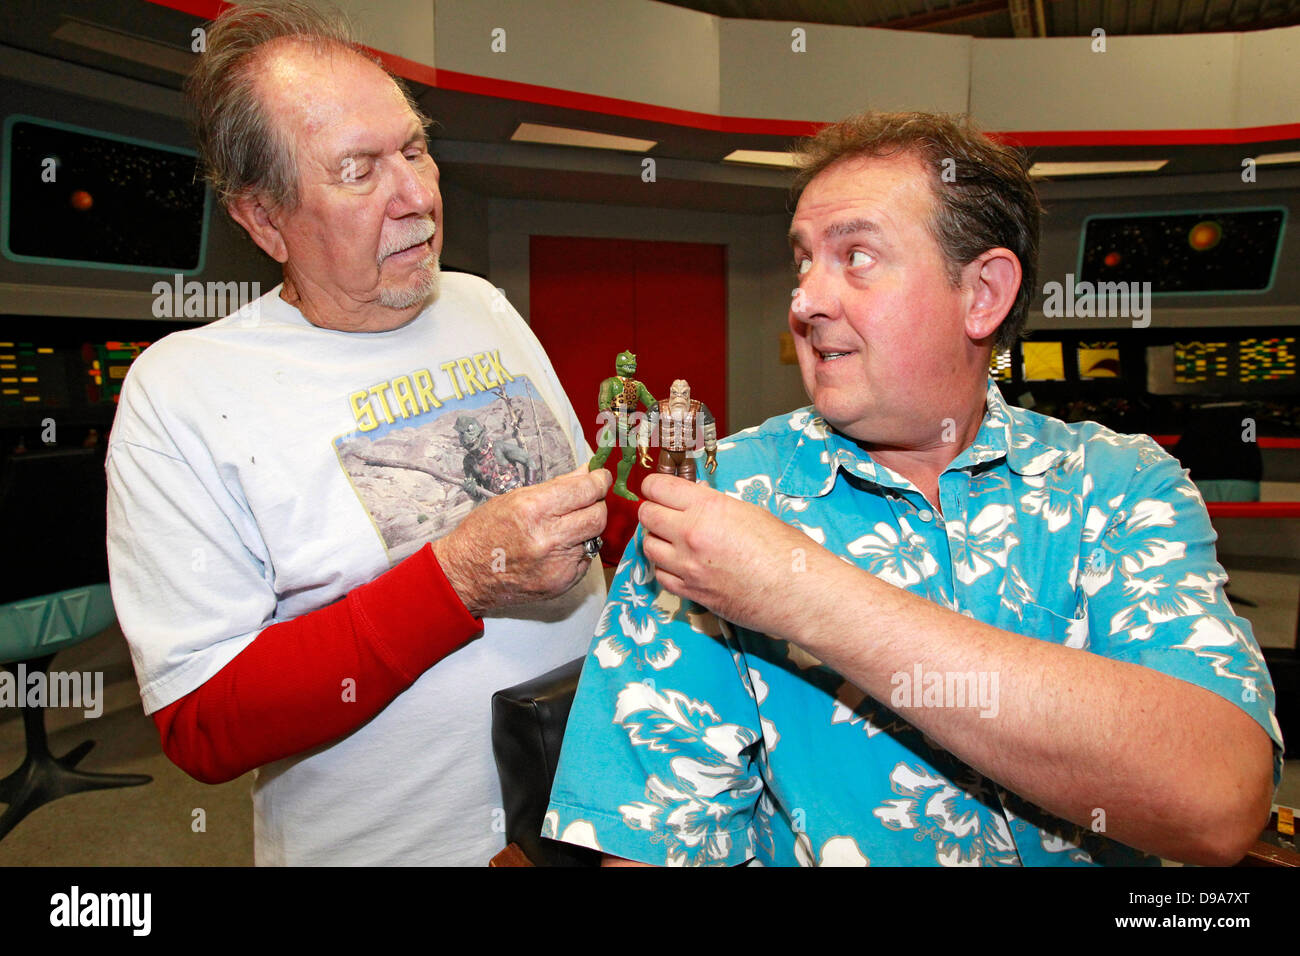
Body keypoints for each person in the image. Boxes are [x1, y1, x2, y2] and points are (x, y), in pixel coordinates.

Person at [545, 111, 1283, 867]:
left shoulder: (1118, 484)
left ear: (984, 294)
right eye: (804, 262)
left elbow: (1218, 800)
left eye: (856, 256)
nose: (804, 301)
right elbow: (651, 846)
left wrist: (797, 591)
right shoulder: (716, 502)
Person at [105, 0, 609, 865]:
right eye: (358, 170)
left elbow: (583, 536)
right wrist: (456, 578)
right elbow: (203, 724)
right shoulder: (180, 392)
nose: (417, 196)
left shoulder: (483, 304)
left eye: (414, 149)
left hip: (588, 820)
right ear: (263, 219)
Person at [638, 379, 717, 480]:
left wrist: (711, 453)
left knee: (688, 485)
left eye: (684, 393)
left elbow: (709, 432)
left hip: (687, 454)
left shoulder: (699, 408)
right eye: (675, 392)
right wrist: (643, 451)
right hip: (667, 453)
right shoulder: (658, 407)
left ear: (689, 393)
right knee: (664, 484)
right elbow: (644, 432)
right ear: (671, 392)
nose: (679, 397)